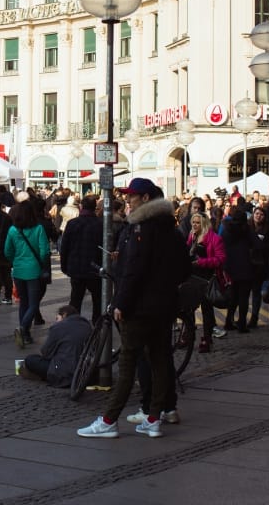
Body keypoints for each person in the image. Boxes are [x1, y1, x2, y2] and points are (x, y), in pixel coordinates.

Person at [77, 178, 189, 439]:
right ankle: (153, 418)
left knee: (128, 363)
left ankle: (108, 420)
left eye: (132, 195)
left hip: (139, 308)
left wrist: (121, 302)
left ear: (146, 198)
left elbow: (134, 271)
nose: (127, 199)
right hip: (164, 306)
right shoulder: (170, 228)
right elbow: (184, 268)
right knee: (161, 360)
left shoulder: (141, 228)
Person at [5, 196, 50, 347]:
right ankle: (23, 328)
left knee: (23, 302)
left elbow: (7, 251)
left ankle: (26, 335)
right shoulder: (38, 229)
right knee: (34, 303)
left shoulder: (13, 230)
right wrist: (41, 263)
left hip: (18, 270)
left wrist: (15, 261)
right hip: (34, 270)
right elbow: (44, 251)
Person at [19, 304, 92, 386]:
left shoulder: (59, 327)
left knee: (30, 359)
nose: (56, 322)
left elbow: (46, 352)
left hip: (64, 372)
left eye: (57, 318)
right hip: (84, 371)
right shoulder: (87, 326)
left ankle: (40, 376)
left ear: (64, 315)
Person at [60, 194, 102, 322]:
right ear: (94, 208)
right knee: (97, 298)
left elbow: (64, 247)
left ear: (81, 207)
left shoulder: (72, 223)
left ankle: (72, 322)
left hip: (76, 267)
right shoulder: (100, 224)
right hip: (94, 268)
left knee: (75, 298)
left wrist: (64, 266)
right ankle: (97, 322)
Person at [186, 211, 225, 351]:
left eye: (198, 222)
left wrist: (201, 262)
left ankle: (207, 339)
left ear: (204, 224)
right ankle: (188, 335)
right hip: (192, 278)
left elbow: (220, 259)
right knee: (188, 307)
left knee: (206, 310)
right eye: (193, 222)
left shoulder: (214, 238)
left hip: (207, 279)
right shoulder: (192, 236)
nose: (195, 225)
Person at [218, 203, 259, 332]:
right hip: (245, 266)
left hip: (230, 266)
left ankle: (228, 322)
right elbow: (258, 244)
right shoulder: (246, 230)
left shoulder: (226, 230)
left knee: (233, 296)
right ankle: (242, 324)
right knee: (243, 297)